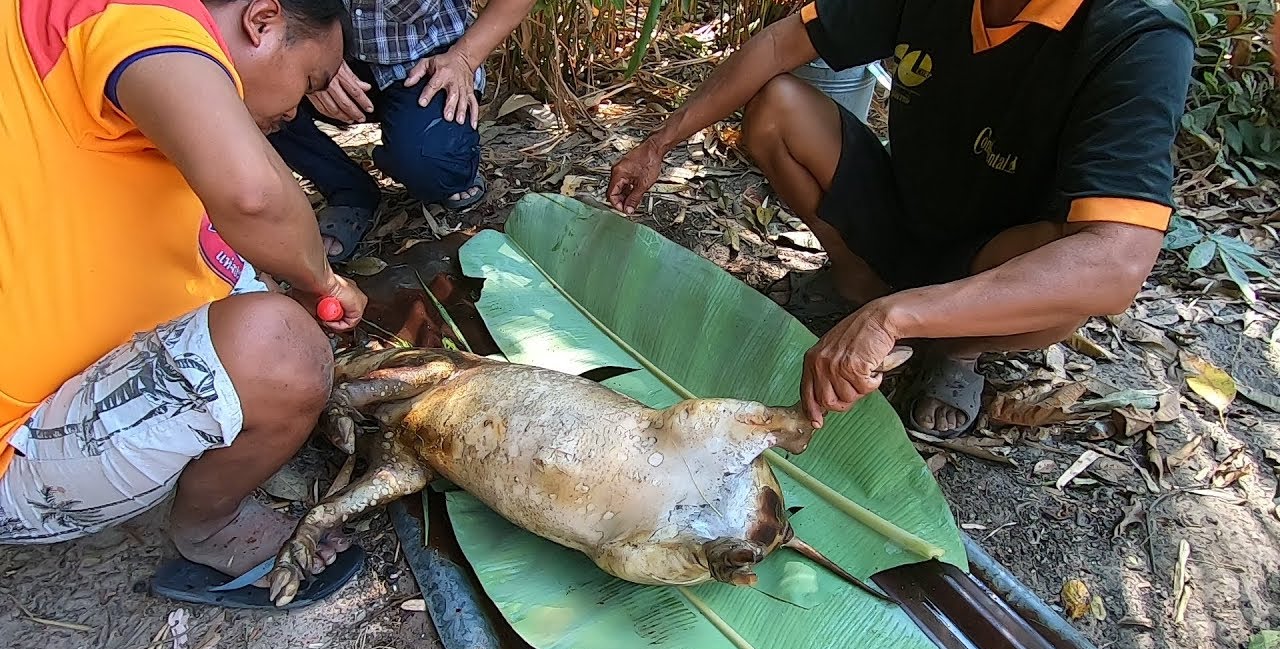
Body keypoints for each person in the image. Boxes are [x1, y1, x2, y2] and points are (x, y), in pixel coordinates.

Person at [608, 0, 1195, 438]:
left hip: (993, 260)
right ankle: (857, 281)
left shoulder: (1139, 32)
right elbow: (779, 46)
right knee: (776, 108)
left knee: (1068, 285)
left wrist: (896, 316)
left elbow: (1118, 261)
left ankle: (955, 349)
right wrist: (660, 143)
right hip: (906, 204)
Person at [0, 0, 370, 606]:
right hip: (15, 449)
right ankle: (208, 526)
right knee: (284, 350)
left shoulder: (143, 106)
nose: (297, 110)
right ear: (262, 20)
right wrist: (324, 281)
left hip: (49, 399)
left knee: (264, 307)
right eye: (309, 82)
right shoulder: (131, 15)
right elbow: (253, 198)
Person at [266, 0, 537, 261]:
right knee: (248, 93)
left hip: (424, 58)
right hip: (319, 49)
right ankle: (348, 190)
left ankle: (433, 158)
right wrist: (315, 59)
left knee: (434, 168)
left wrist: (464, 58)